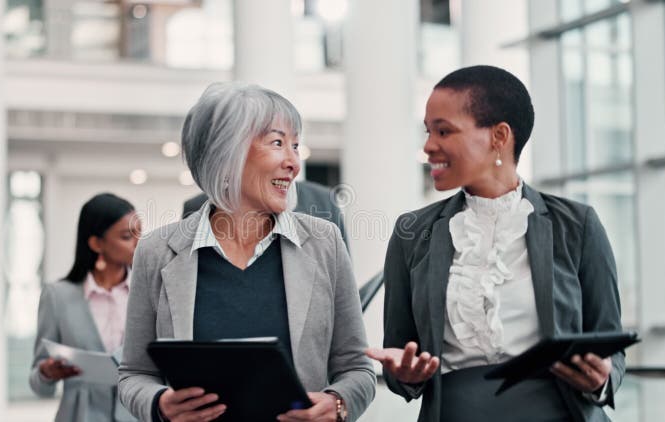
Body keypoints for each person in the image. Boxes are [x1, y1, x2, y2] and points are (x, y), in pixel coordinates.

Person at [366, 65, 624, 422]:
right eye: (428, 132)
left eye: (443, 131)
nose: (428, 146)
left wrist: (602, 378)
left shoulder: (577, 225)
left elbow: (610, 345)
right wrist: (404, 375)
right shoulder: (412, 233)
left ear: (499, 136)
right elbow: (400, 354)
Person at [118, 82, 375, 422]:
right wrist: (159, 403)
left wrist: (338, 403)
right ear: (228, 150)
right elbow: (134, 373)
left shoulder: (324, 243)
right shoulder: (157, 251)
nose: (293, 162)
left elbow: (357, 368)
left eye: (296, 146)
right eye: (278, 143)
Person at [30, 193, 141, 422]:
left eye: (140, 232)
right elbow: (37, 383)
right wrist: (47, 373)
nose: (138, 242)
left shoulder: (148, 293)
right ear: (96, 243)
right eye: (127, 236)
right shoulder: (57, 296)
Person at [182, 179, 349, 246]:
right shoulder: (198, 206)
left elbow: (341, 289)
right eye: (276, 143)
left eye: (295, 145)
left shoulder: (323, 201)